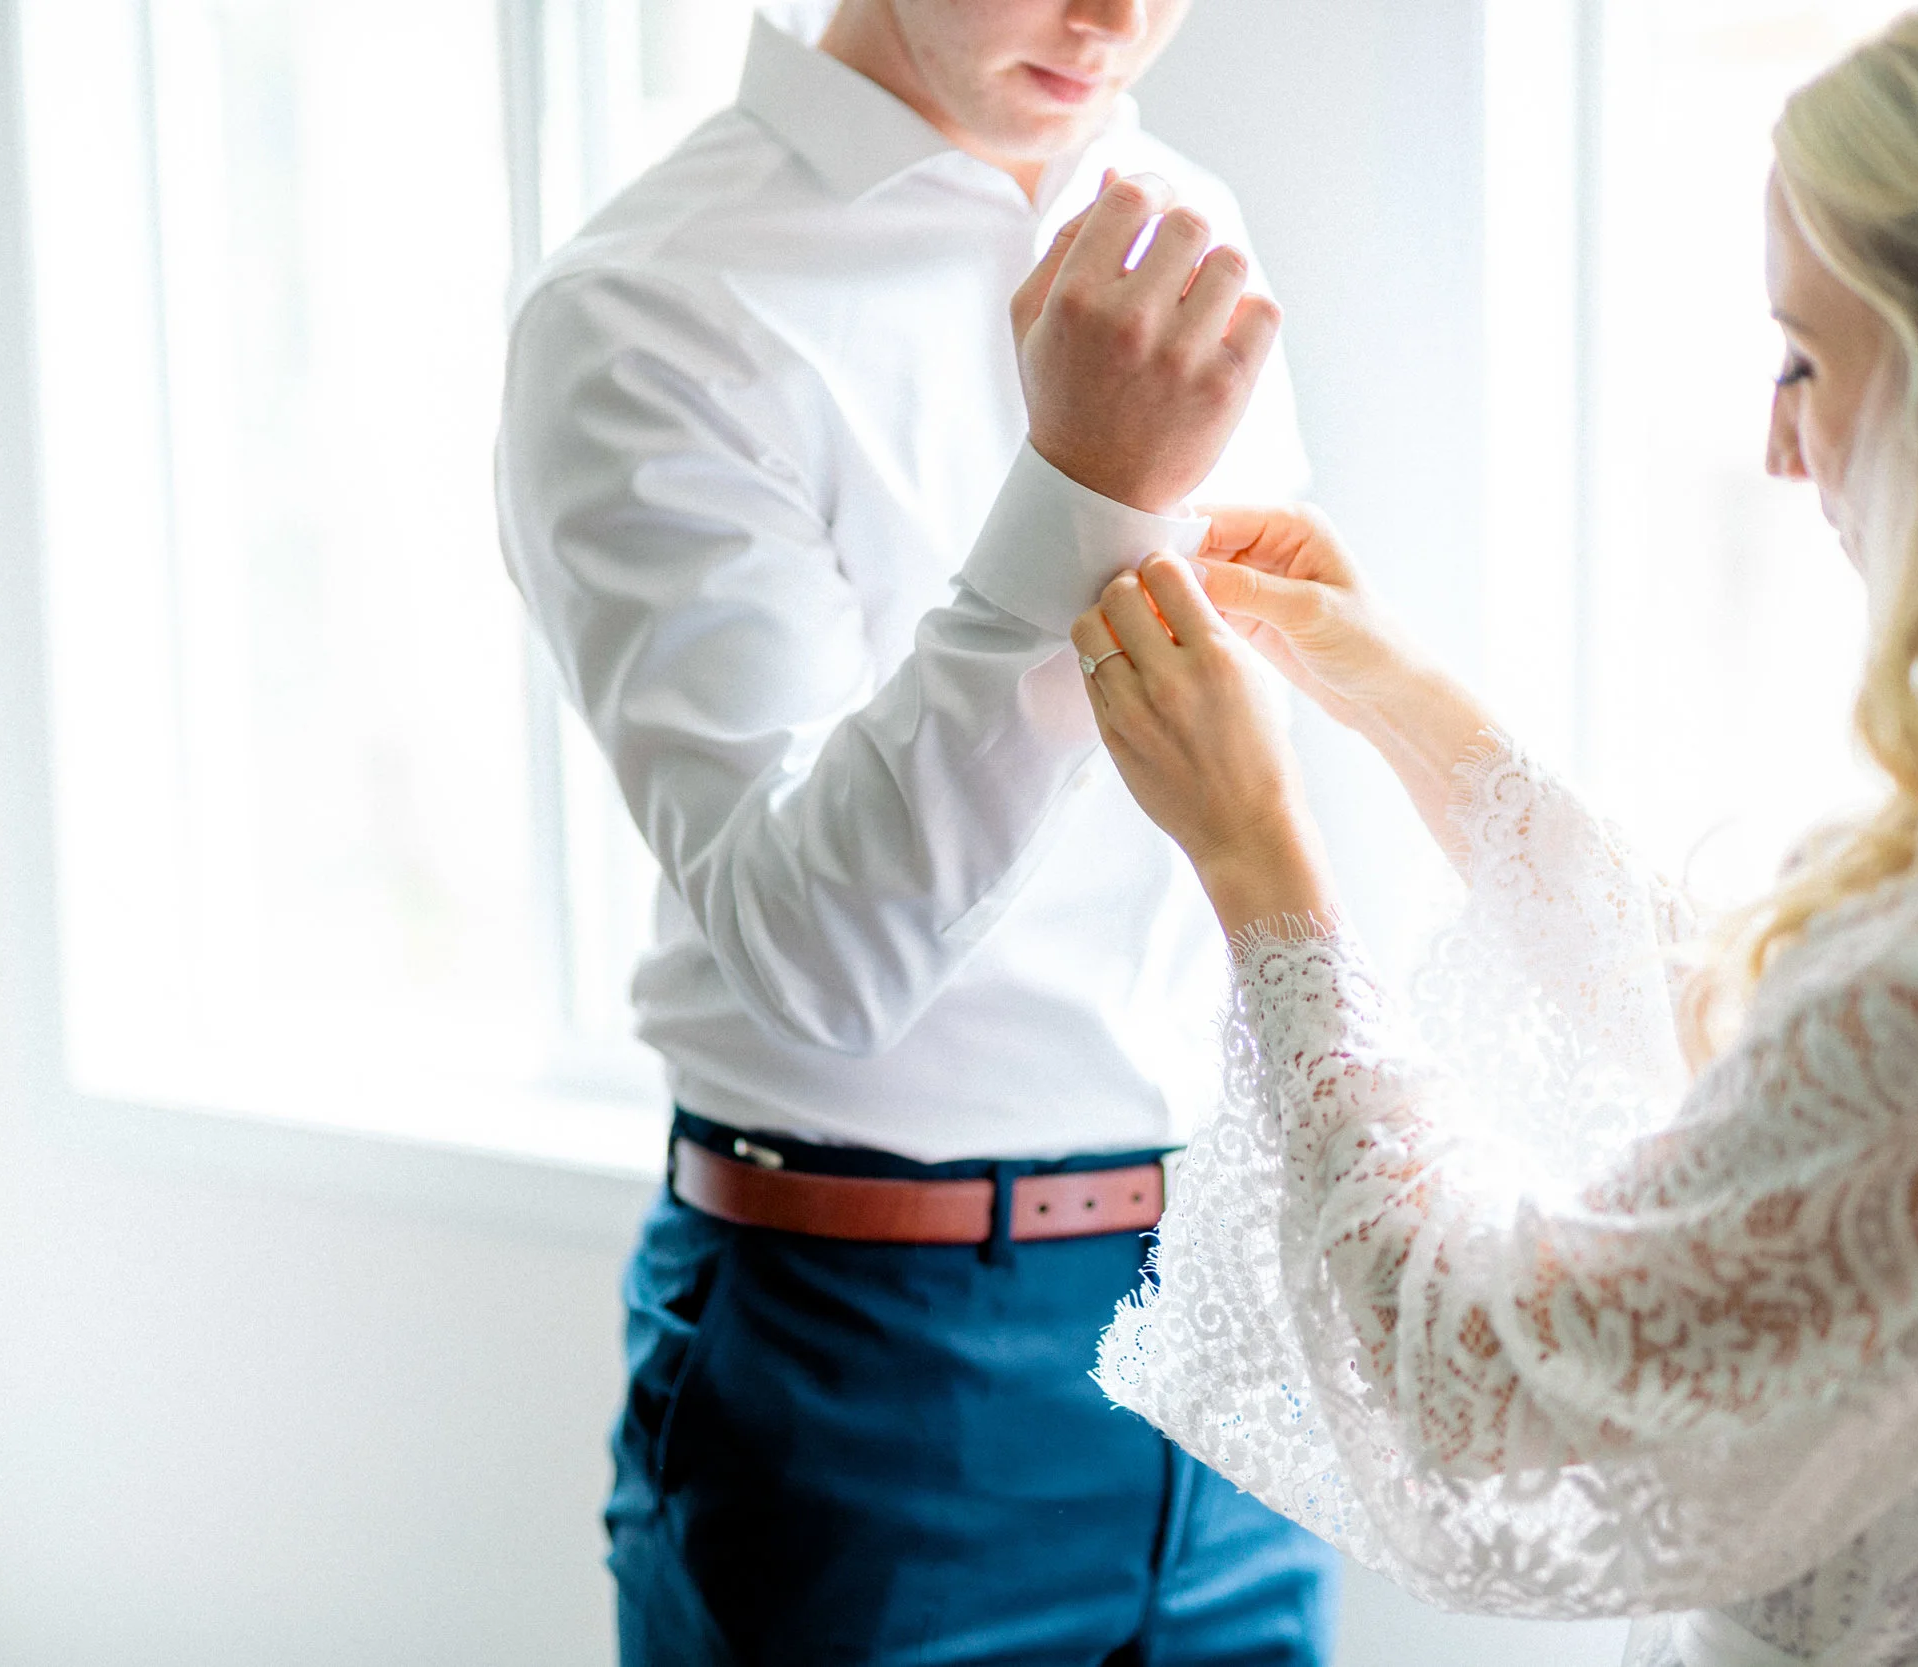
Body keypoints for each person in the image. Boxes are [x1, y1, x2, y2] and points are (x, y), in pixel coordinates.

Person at [1014, 0, 1918, 1663]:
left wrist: (1261, 864)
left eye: (1805, 361)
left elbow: (1475, 1369)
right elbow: (1756, 1042)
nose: (1779, 445)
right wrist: (1415, 708)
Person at [493, 0, 1335, 1660]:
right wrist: (1081, 492)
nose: (1115, 18)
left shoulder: (1183, 220)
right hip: (873, 1381)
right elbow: (818, 957)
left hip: (1240, 1322)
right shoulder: (646, 308)